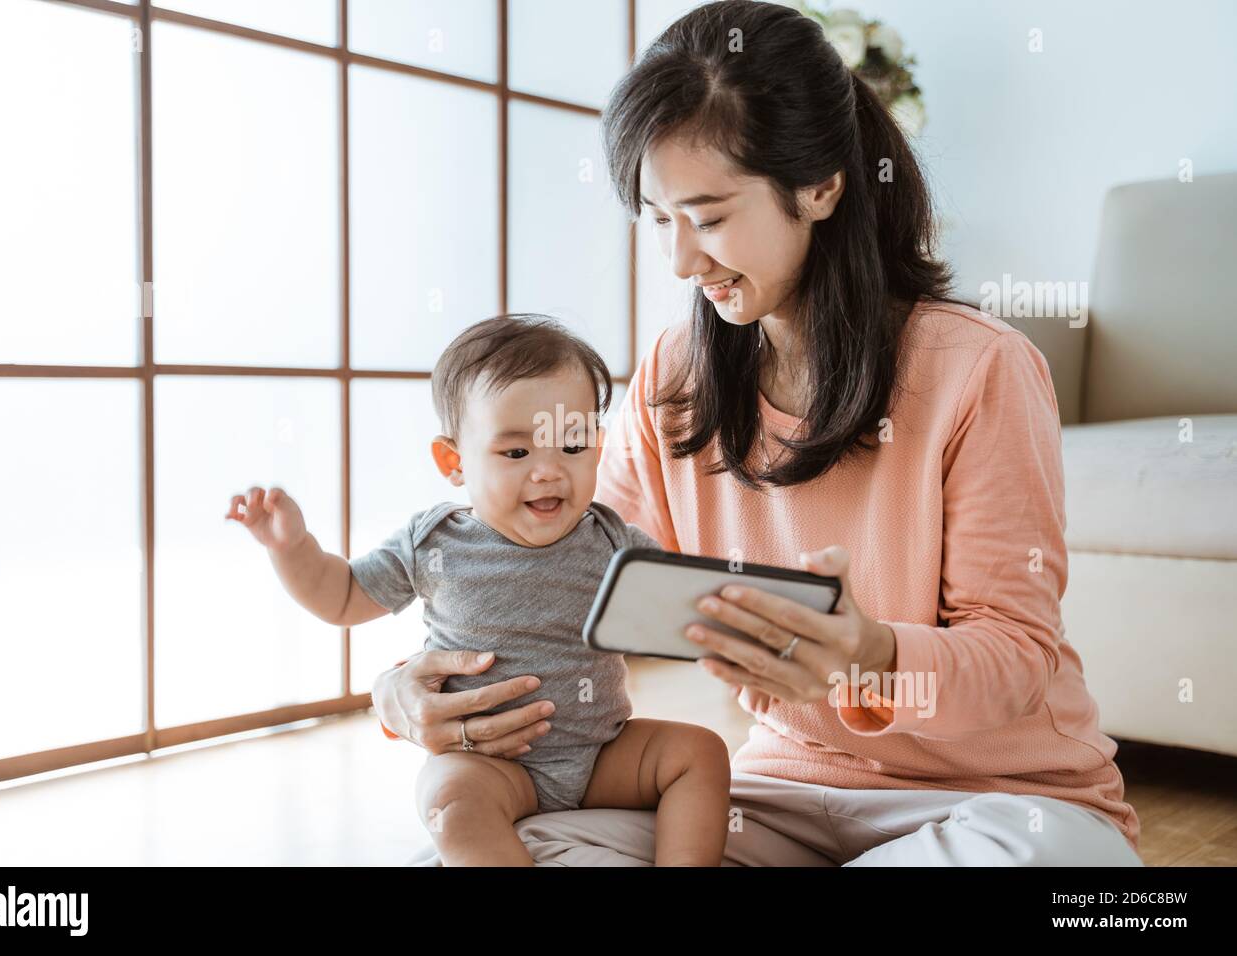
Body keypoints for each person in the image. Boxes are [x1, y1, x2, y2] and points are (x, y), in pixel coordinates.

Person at [376, 0, 1143, 866]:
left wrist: (873, 657)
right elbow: (570, 568)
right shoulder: (676, 373)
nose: (679, 260)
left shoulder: (981, 369)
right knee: (489, 848)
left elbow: (1016, 658)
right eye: (659, 218)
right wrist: (401, 688)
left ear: (819, 186)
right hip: (776, 794)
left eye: (706, 216)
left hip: (999, 803)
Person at [228, 314, 731, 866]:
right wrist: (292, 549)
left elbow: (687, 604)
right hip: (494, 763)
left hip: (602, 751)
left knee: (699, 753)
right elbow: (343, 597)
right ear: (454, 462)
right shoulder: (434, 542)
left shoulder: (611, 538)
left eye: (571, 446)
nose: (547, 472)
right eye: (516, 454)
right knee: (448, 799)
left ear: (597, 447)